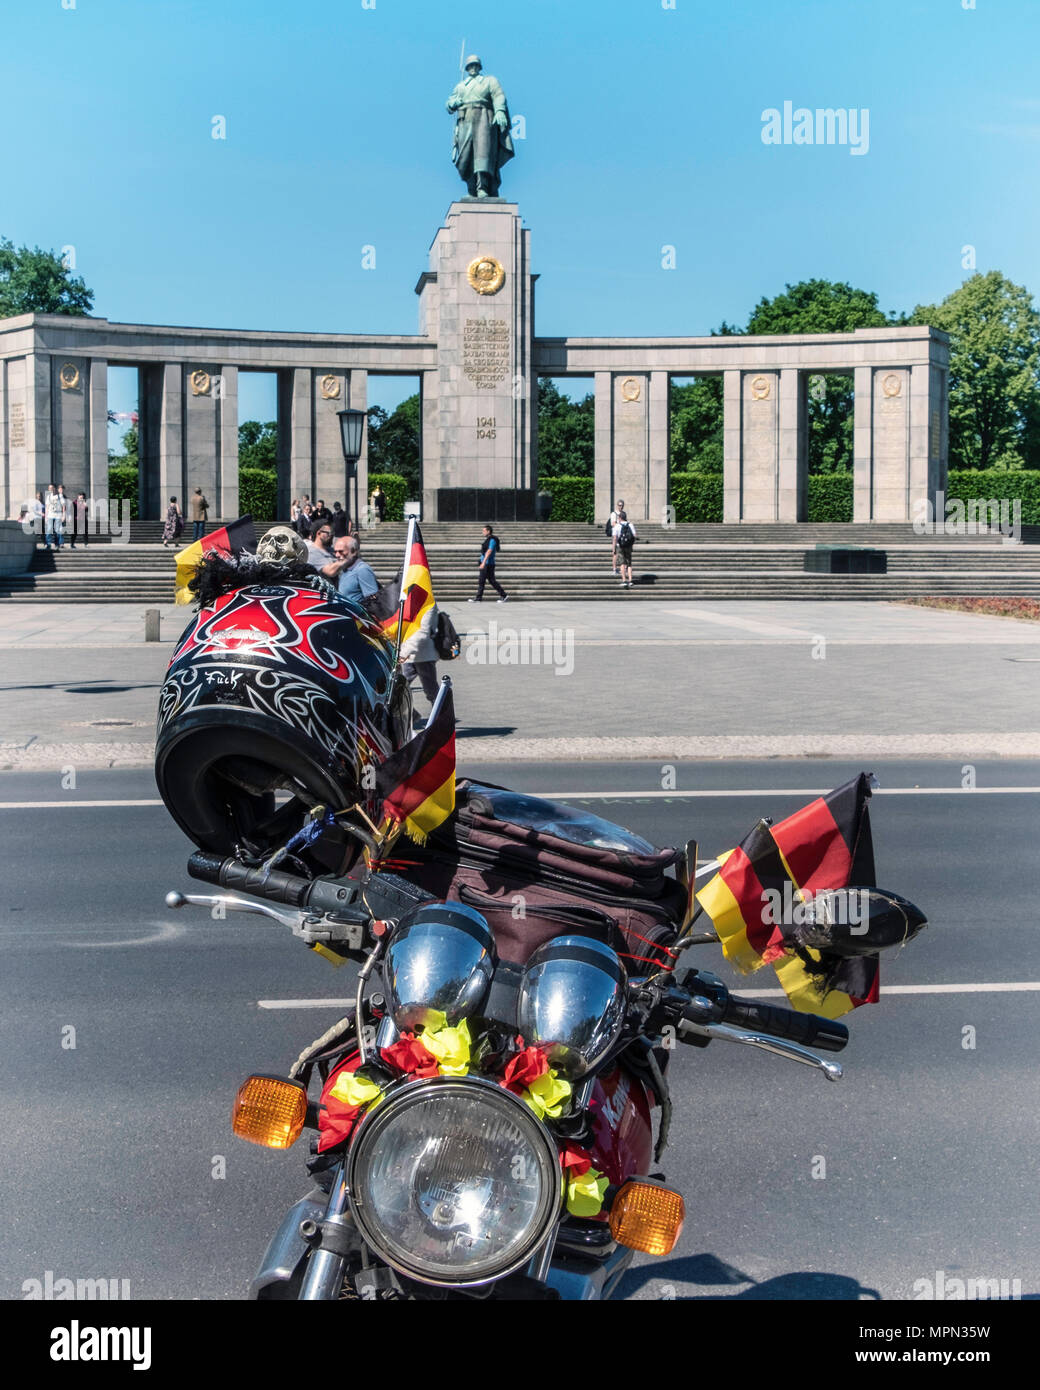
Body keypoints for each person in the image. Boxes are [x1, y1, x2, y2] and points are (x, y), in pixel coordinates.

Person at [446, 55, 514, 198]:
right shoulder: (461, 86)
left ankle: (482, 187)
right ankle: (471, 187)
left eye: (475, 65)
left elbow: (498, 95)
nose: (473, 68)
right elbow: (449, 103)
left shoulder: (489, 81)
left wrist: (500, 111)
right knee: (466, 156)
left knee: (482, 154)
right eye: (470, 66)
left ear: (479, 66)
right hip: (465, 119)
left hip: (484, 117)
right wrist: (453, 103)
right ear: (467, 68)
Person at [399, 602, 442, 728]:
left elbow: (423, 632)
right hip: (409, 654)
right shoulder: (408, 600)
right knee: (399, 688)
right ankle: (412, 715)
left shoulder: (428, 603)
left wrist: (405, 652)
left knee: (431, 690)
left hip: (423, 655)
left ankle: (441, 720)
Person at [332, 535, 379, 604]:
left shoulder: (362, 570)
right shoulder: (344, 568)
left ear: (353, 551)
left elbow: (373, 601)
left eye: (341, 551)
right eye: (335, 552)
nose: (337, 555)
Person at [469, 523, 508, 602]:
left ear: (488, 531)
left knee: (483, 580)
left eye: (484, 531)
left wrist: (483, 562)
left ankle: (479, 598)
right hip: (487, 563)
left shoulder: (492, 540)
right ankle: (503, 595)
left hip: (488, 564)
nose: (482, 532)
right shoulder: (488, 539)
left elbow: (489, 551)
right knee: (490, 580)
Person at [613, 508, 637, 590]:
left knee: (622, 563)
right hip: (628, 546)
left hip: (620, 546)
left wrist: (613, 548)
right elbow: (634, 535)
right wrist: (631, 544)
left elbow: (615, 538)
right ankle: (630, 580)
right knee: (629, 563)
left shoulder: (617, 526)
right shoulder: (630, 524)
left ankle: (624, 580)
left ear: (620, 518)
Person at [607, 498, 625, 576]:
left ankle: (622, 568)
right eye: (619, 505)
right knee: (615, 553)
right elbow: (612, 524)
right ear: (617, 505)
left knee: (623, 552)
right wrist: (620, 525)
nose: (621, 506)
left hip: (622, 535)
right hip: (616, 534)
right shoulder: (614, 513)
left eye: (622, 505)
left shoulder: (624, 513)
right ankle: (614, 568)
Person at [44, 483, 65, 550]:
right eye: (49, 488)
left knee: (57, 530)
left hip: (58, 515)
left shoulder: (60, 496)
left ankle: (57, 544)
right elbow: (47, 507)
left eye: (51, 488)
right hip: (50, 514)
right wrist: (46, 517)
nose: (50, 489)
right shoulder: (48, 496)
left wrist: (63, 515)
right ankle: (48, 544)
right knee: (49, 529)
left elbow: (63, 506)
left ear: (54, 488)